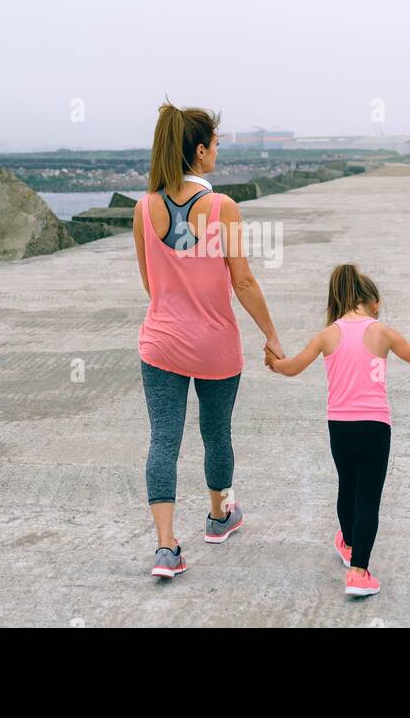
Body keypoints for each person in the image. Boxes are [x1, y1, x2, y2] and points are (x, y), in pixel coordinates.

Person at [267, 264, 410, 597]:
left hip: (339, 426)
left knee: (347, 486)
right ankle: (358, 572)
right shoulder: (382, 332)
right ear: (375, 302)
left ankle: (349, 543)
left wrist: (274, 362)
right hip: (375, 426)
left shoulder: (327, 335)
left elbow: (292, 368)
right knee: (368, 497)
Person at [133, 101, 284, 579]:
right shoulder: (222, 208)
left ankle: (166, 548)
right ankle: (219, 518)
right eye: (215, 144)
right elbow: (242, 282)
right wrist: (272, 335)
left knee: (164, 439)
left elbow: (150, 285)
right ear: (199, 151)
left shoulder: (143, 207)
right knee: (216, 432)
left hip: (160, 344)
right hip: (215, 345)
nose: (217, 151)